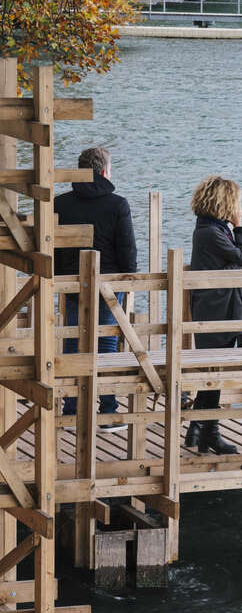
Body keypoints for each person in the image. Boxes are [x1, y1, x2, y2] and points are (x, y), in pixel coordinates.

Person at [55, 146, 137, 430]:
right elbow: (127, 250)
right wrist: (130, 278)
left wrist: (60, 276)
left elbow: (53, 248)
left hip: (71, 282)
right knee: (106, 344)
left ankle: (71, 409)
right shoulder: (118, 205)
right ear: (104, 171)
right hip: (108, 283)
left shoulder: (60, 203)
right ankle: (108, 411)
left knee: (72, 342)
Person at [186, 175, 242, 455]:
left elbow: (234, 262)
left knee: (213, 371)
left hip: (217, 307)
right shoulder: (211, 233)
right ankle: (209, 433)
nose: (239, 208)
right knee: (214, 372)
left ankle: (199, 429)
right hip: (216, 310)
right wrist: (240, 227)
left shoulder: (211, 229)